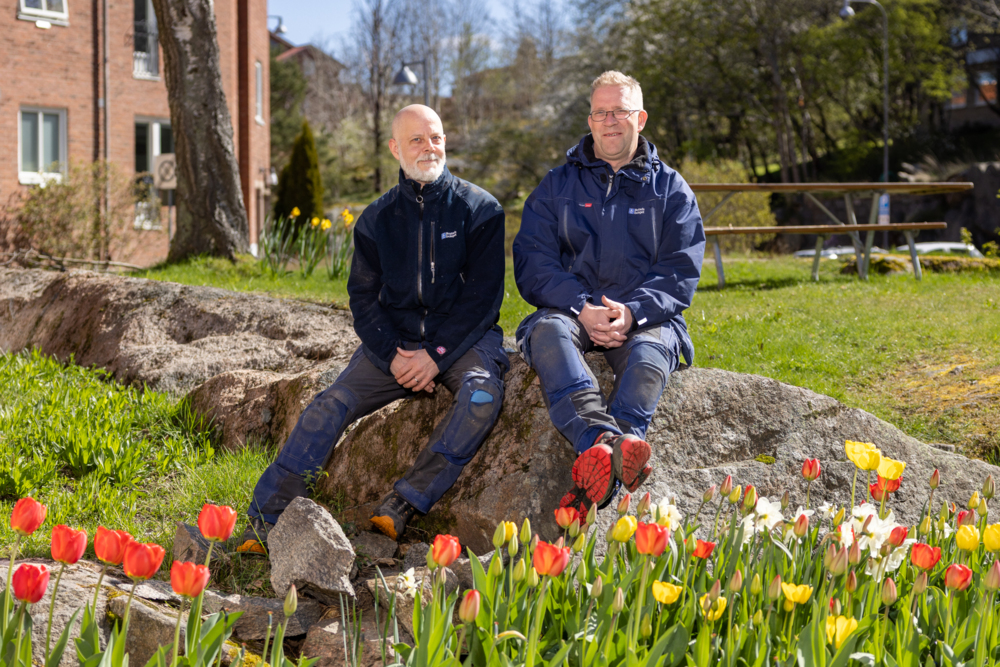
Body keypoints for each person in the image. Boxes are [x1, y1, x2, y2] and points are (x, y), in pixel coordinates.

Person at [237, 104, 508, 551]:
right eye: (417, 139)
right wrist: (393, 356)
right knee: (329, 403)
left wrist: (435, 356)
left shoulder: (481, 209)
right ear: (395, 148)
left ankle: (405, 501)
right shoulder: (376, 219)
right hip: (394, 346)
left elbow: (483, 299)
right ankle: (266, 517)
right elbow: (363, 299)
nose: (429, 147)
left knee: (482, 396)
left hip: (463, 343)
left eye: (436, 137)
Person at [512, 71, 705, 514]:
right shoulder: (557, 186)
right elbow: (533, 260)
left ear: (641, 118)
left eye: (620, 111)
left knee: (649, 359)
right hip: (571, 311)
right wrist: (581, 306)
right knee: (548, 334)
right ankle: (603, 439)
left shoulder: (671, 189)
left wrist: (633, 312)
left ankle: (597, 474)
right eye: (601, 112)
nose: (610, 120)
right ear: (590, 120)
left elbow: (680, 270)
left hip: (646, 317)